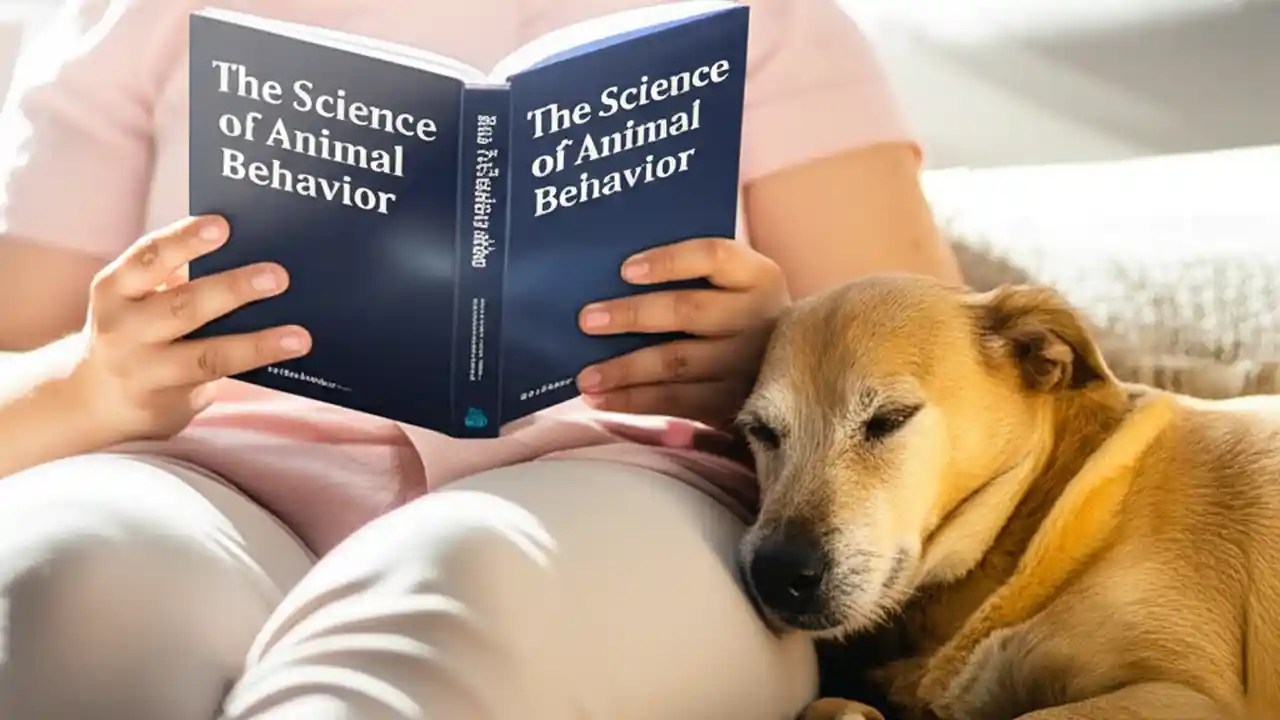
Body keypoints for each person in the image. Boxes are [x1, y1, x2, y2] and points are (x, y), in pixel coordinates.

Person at [0, 0, 961, 718]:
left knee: (456, 592)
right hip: (207, 471)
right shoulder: (129, 18)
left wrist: (765, 361)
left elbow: (945, 381)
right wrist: (92, 380)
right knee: (65, 588)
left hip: (621, 478)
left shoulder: (767, 19)